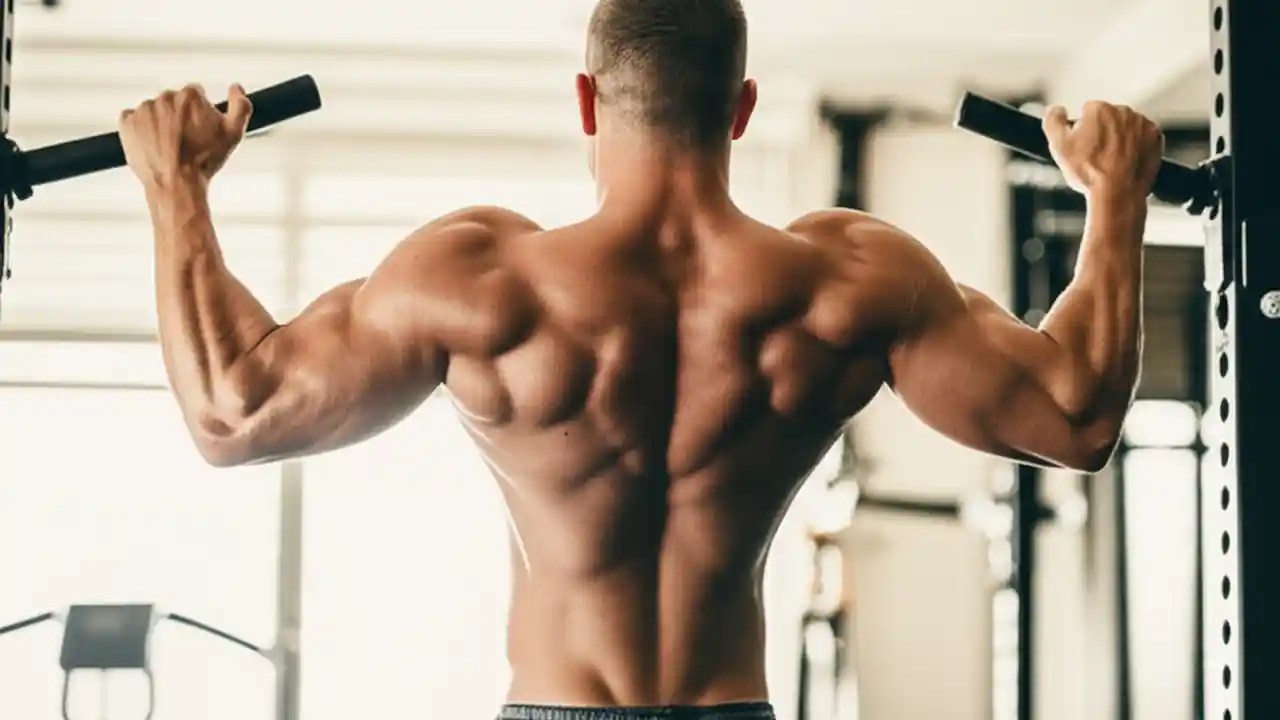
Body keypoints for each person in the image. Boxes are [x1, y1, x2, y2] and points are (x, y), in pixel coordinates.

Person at [117, 1, 1163, 718]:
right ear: (739, 108)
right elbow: (1073, 420)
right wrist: (1113, 199)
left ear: (587, 101)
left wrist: (178, 190)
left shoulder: (483, 280)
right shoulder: (848, 281)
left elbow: (235, 411)